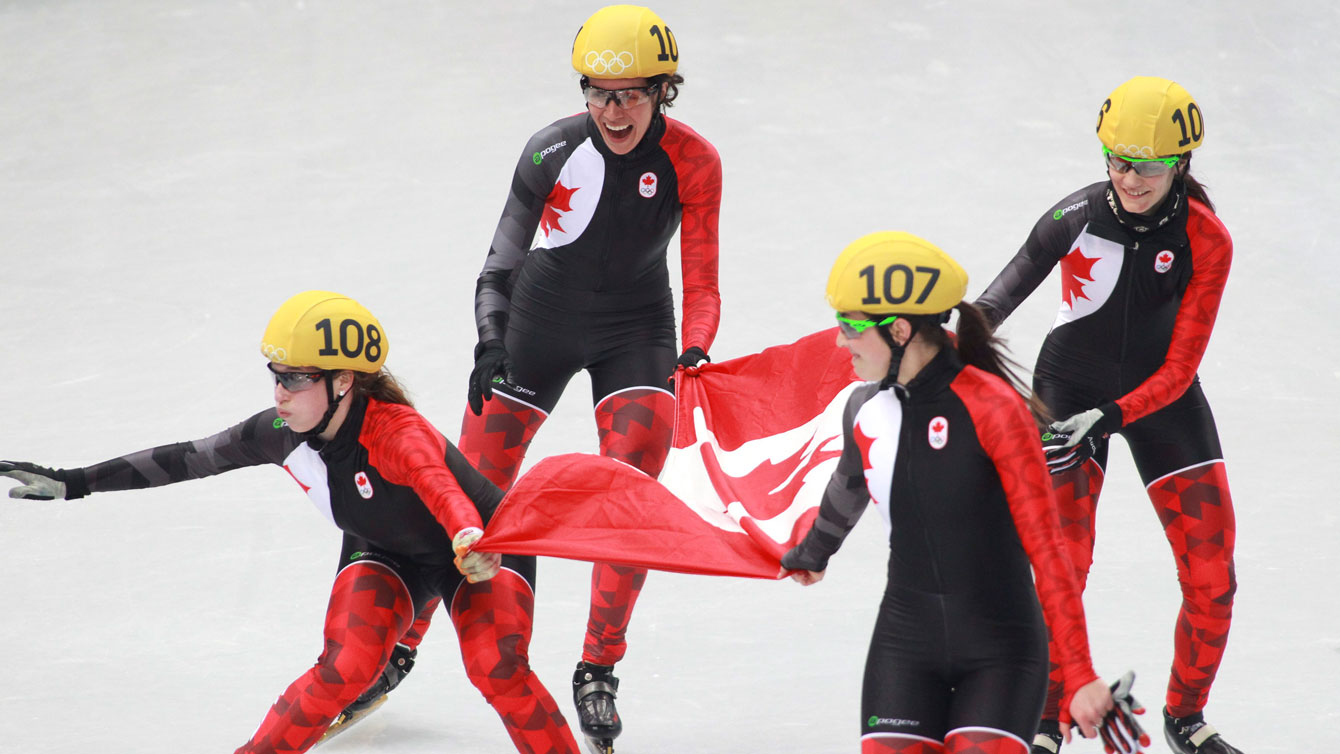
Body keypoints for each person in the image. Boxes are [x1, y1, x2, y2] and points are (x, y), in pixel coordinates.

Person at [0, 291, 581, 754]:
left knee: (498, 669)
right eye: (276, 374)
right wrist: (76, 481)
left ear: (344, 380)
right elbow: (186, 458)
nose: (280, 392)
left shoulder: (395, 431)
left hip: (478, 553)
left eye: (296, 378)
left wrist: (467, 536)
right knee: (344, 668)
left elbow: (440, 486)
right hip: (386, 551)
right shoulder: (278, 434)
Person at [457, 5, 722, 752]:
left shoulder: (695, 161)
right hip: (536, 325)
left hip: (637, 329)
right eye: (597, 94)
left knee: (633, 481)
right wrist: (488, 342)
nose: (613, 111)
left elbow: (701, 281)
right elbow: (499, 265)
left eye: (631, 93)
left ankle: (598, 666)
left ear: (664, 92)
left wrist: (696, 347)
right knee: (470, 494)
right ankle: (402, 642)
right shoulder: (550, 152)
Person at [781, 232, 1142, 754]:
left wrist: (1081, 673)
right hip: (904, 645)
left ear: (900, 328)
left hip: (1001, 649)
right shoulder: (863, 408)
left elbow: (1049, 550)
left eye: (851, 326)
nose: (841, 341)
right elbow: (849, 485)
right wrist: (814, 553)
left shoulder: (994, 410)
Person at [974, 77, 1240, 754]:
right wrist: (943, 353)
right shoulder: (1077, 215)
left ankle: (1185, 716)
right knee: (1064, 564)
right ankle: (1049, 711)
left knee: (1212, 573)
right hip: (1067, 394)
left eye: (1147, 165)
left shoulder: (1207, 239)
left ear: (1180, 162)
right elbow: (993, 304)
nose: (1129, 178)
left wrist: (1114, 415)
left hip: (1160, 401)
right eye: (1116, 161)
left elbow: (1179, 370)